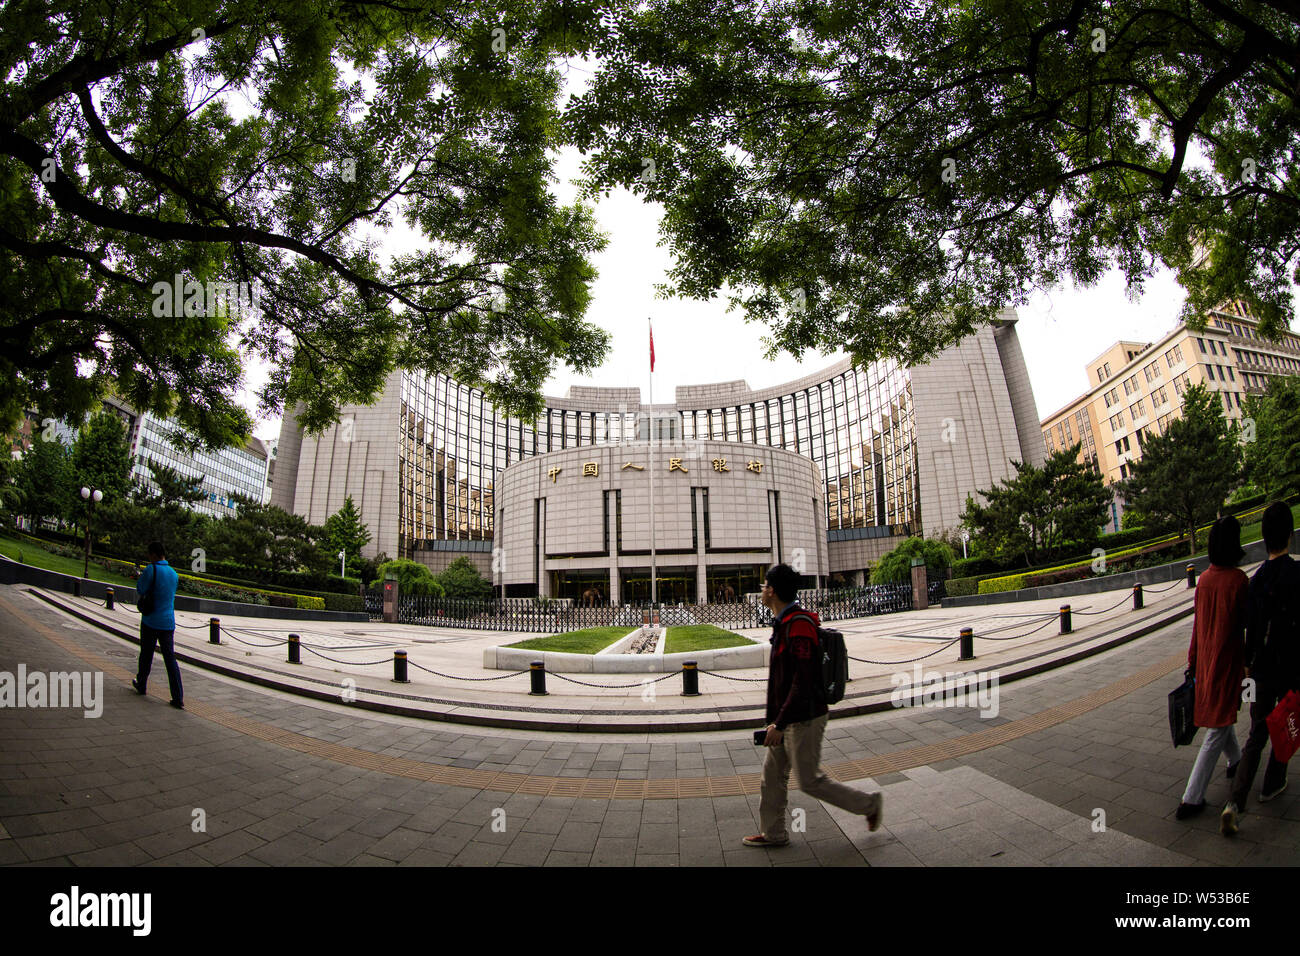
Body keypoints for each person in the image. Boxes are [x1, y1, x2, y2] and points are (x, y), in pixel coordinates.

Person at [744, 563, 882, 847]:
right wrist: (776, 721)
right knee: (771, 777)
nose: (762, 590)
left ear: (773, 591)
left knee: (810, 781)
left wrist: (780, 723)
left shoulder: (799, 626)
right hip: (787, 718)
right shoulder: (784, 622)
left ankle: (869, 804)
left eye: (765, 585)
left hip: (804, 718)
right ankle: (773, 834)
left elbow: (803, 681)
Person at [1222, 501, 1300, 836]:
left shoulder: (1256, 581)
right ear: (1290, 535)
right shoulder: (1298, 574)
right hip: (1292, 667)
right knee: (1289, 719)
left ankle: (1234, 803)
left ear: (1264, 538)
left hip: (1262, 669)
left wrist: (1248, 668)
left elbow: (1249, 633)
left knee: (1257, 733)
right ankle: (1272, 783)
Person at [1175, 516, 1248, 821]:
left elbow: (1198, 626)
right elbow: (1245, 628)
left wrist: (1192, 661)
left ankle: (1237, 762)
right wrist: (1247, 664)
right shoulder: (1238, 581)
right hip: (1226, 663)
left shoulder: (1204, 579)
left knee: (1222, 718)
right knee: (1217, 728)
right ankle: (1191, 799)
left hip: (1205, 662)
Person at [131, 540, 184, 709]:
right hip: (168, 623)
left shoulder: (151, 569)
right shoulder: (174, 574)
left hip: (151, 620)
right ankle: (178, 696)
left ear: (153, 554)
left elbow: (141, 589)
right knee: (170, 659)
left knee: (146, 654)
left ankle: (142, 684)